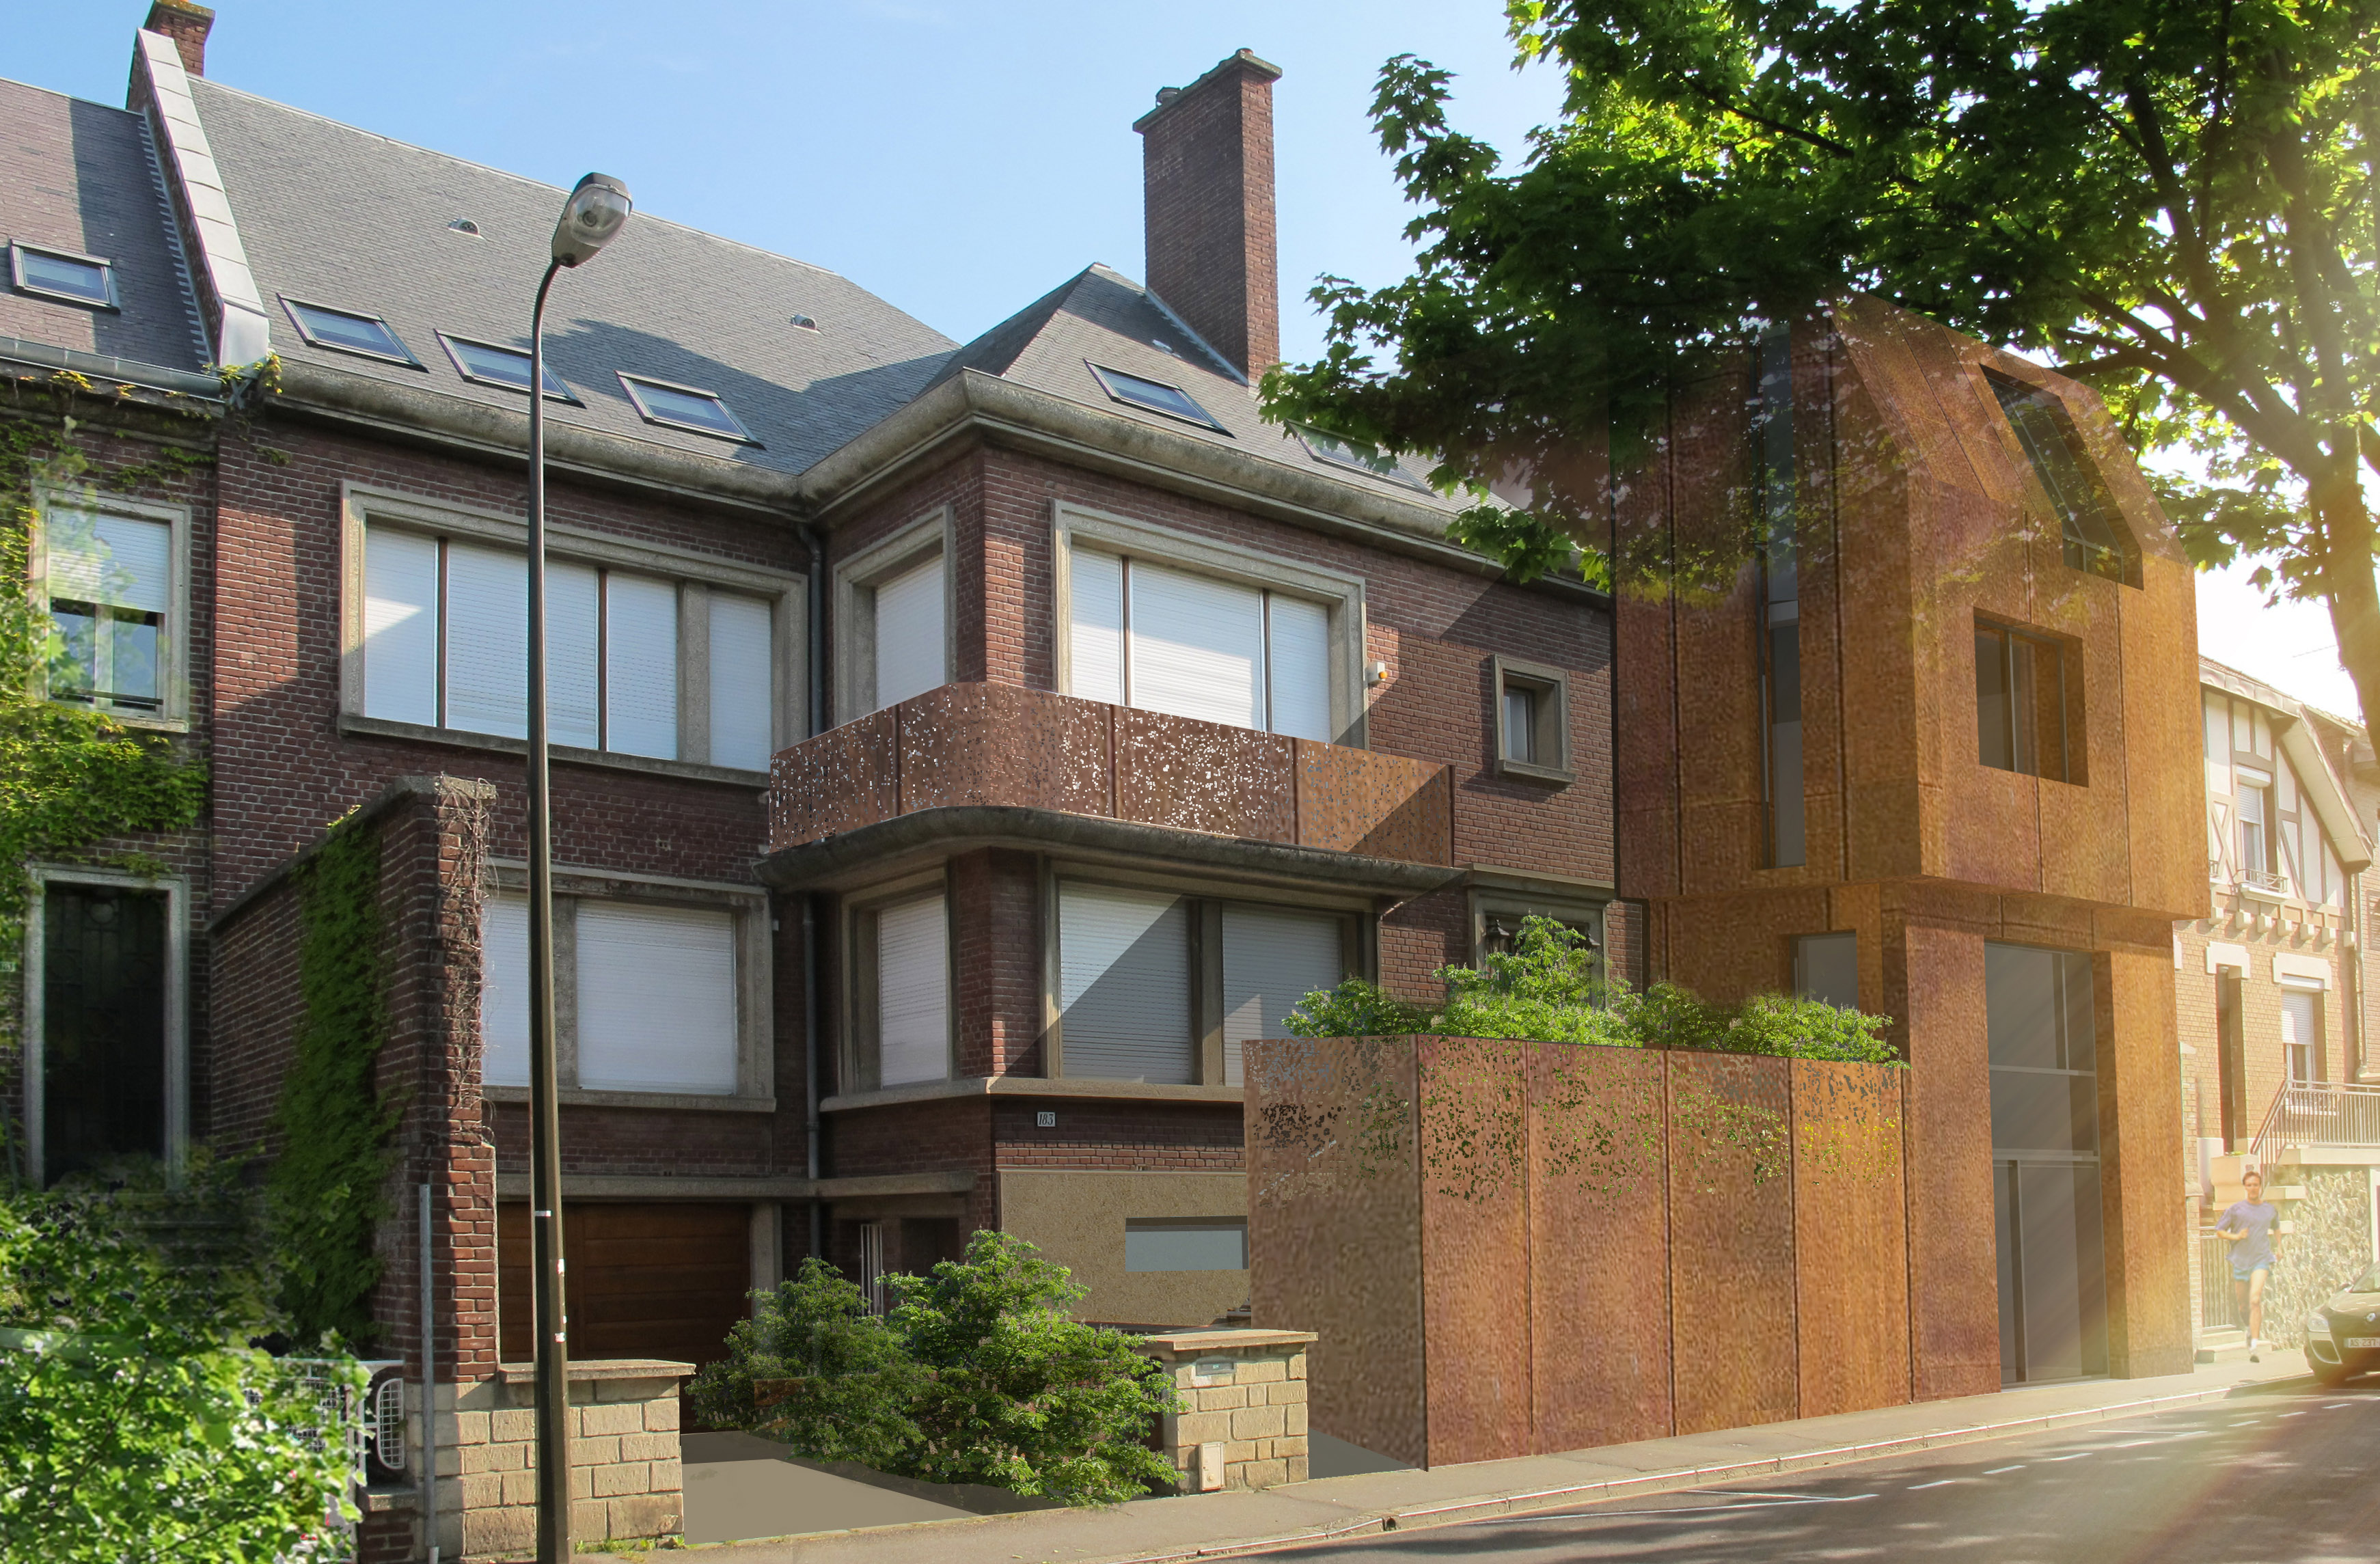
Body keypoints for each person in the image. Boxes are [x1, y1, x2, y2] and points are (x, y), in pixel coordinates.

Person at [2215, 1168, 2279, 1360]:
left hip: (2261, 1259)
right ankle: (2248, 1329)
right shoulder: (2235, 1210)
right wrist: (2237, 1236)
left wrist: (2280, 1247)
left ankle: (2253, 1346)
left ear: (2260, 1187)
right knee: (2243, 1305)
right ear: (2245, 1187)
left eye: (2256, 1185)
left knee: (2255, 1299)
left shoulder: (2269, 1209)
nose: (2253, 1188)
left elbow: (2276, 1227)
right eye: (2249, 1185)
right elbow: (2219, 1231)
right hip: (2241, 1261)